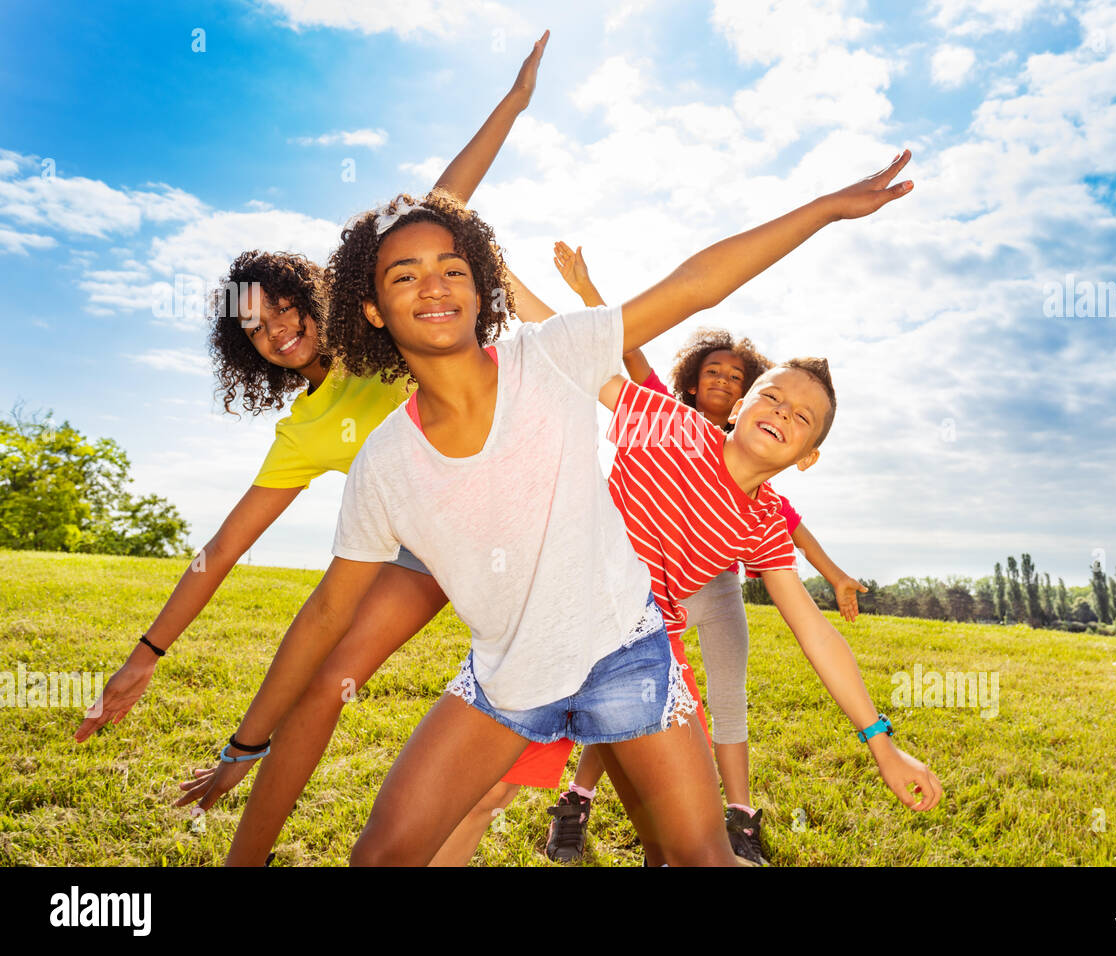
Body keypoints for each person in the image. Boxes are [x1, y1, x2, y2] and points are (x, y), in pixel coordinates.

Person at [176, 147, 921, 867]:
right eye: (406, 275)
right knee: (381, 854)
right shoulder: (385, 464)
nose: (433, 285)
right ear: (371, 310)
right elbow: (328, 616)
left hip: (628, 657)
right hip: (508, 682)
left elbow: (695, 284)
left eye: (453, 268)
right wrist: (246, 740)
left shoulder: (551, 356)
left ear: (481, 289)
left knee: (694, 853)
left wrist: (826, 208)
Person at [72, 32, 551, 748]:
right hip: (432, 545)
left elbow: (445, 201)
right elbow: (223, 549)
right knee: (327, 674)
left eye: (283, 307)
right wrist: (145, 658)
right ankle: (245, 756)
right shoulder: (304, 431)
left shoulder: (384, 329)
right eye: (257, 329)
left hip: (523, 494)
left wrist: (512, 105)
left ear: (311, 295)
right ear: (248, 350)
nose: (277, 330)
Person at [540, 241, 868, 864]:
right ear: (699, 384)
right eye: (714, 374)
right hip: (602, 597)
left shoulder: (765, 504)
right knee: (498, 777)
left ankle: (732, 815)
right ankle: (581, 798)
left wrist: (837, 576)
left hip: (695, 591)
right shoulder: (670, 420)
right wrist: (584, 296)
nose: (726, 383)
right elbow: (612, 352)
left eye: (737, 376)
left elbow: (792, 541)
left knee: (707, 698)